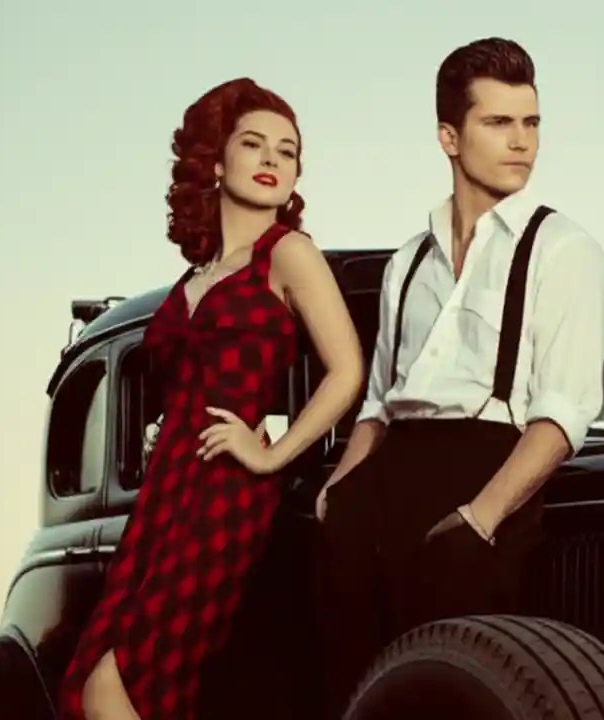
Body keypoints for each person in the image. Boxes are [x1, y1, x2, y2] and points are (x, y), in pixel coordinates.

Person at [314, 36, 604, 716]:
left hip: (484, 478)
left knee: (455, 690)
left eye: (531, 123)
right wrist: (341, 488)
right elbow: (380, 403)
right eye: (498, 123)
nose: (522, 143)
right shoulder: (407, 261)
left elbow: (562, 415)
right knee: (350, 686)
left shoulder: (565, 250)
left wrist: (482, 516)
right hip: (385, 484)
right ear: (449, 137)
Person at [56, 77, 364, 719]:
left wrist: (272, 456)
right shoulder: (197, 276)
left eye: (288, 150)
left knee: (117, 678)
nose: (274, 160)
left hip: (230, 492)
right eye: (254, 144)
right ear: (216, 163)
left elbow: (347, 370)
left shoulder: (290, 254)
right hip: (166, 489)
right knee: (99, 678)